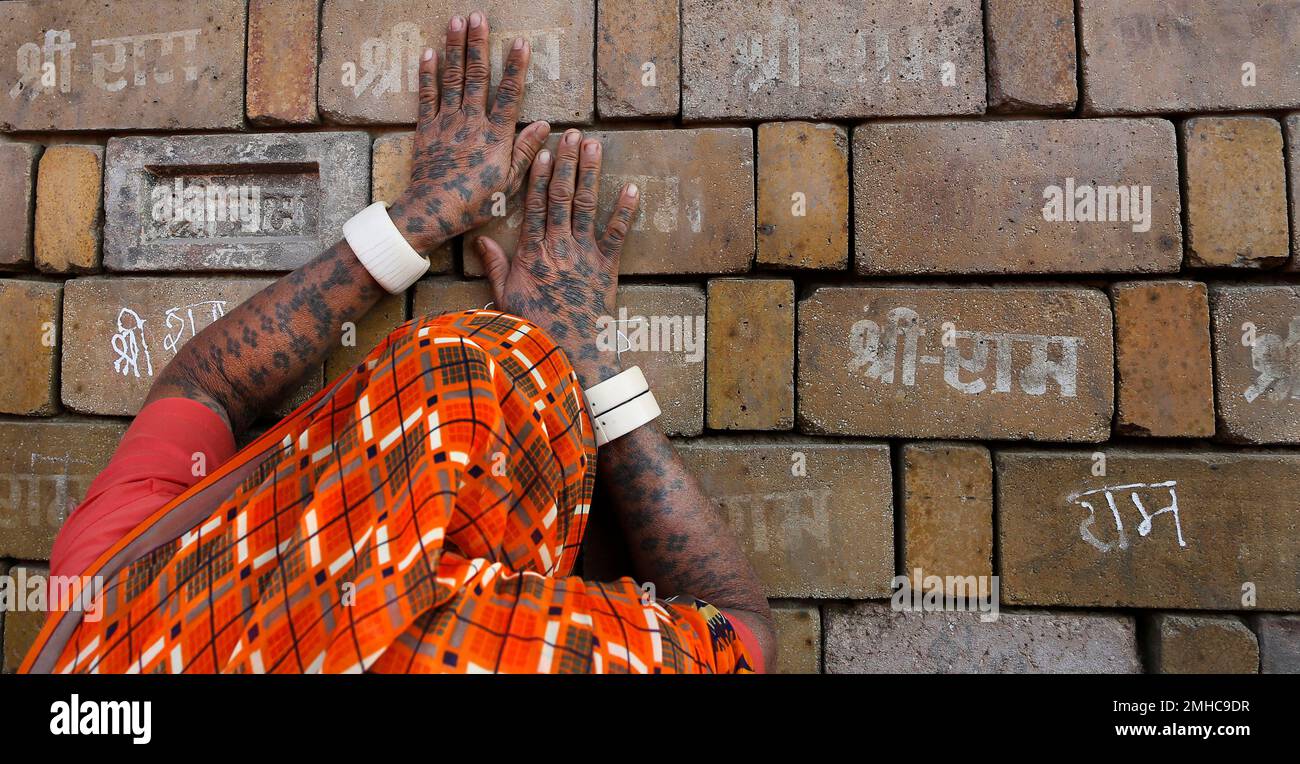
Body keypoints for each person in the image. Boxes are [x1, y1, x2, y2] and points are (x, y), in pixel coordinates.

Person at [21, 11, 774, 675]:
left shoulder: (118, 618)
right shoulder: (512, 649)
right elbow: (744, 635)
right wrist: (592, 367)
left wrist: (415, 221)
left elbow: (201, 390)